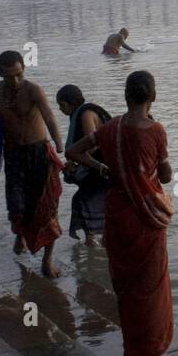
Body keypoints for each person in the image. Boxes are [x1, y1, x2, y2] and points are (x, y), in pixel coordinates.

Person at [66, 70, 176, 356]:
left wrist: (103, 168)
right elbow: (165, 175)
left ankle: (133, 353)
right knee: (151, 287)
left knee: (127, 286)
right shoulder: (155, 131)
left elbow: (73, 152)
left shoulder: (111, 127)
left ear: (126, 96)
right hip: (147, 217)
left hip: (118, 214)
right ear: (153, 96)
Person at [0, 51, 65, 278]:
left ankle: (47, 260)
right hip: (13, 154)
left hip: (39, 152)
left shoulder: (33, 89)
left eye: (19, 75)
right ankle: (20, 234)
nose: (15, 81)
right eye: (9, 76)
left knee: (47, 207)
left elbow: (49, 117)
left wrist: (61, 148)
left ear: (23, 70)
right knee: (16, 206)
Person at [57, 84, 112, 247]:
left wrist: (75, 158)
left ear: (70, 103)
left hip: (103, 166)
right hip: (97, 167)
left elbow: (92, 144)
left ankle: (95, 242)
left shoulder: (86, 114)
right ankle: (93, 241)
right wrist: (74, 160)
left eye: (61, 105)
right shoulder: (79, 114)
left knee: (85, 201)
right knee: (84, 202)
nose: (60, 110)